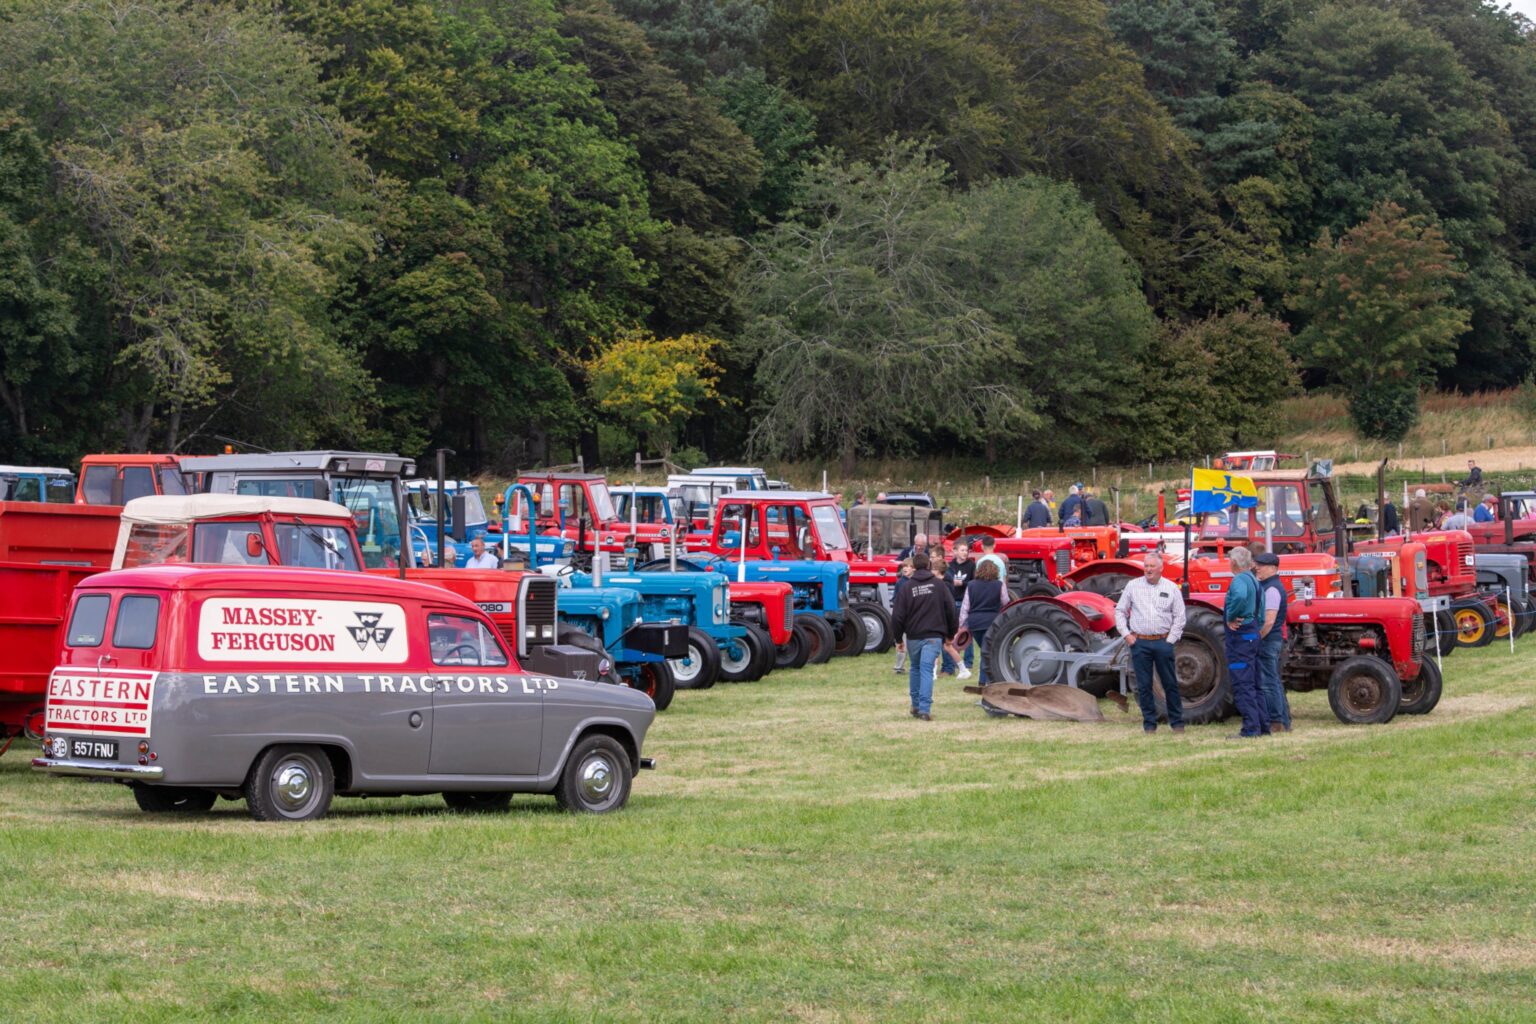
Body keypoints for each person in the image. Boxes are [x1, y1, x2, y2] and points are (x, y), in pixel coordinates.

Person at [1114, 552, 1187, 734]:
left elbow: (1180, 617)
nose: (1148, 569)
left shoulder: (1171, 588)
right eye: (1146, 566)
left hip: (1163, 642)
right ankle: (1149, 725)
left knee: (1170, 683)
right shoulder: (1133, 586)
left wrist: (1170, 640)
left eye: (1152, 566)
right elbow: (1120, 611)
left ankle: (1177, 723)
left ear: (1161, 568)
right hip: (1140, 643)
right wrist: (1127, 635)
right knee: (1144, 685)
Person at [890, 553, 958, 721]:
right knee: (927, 669)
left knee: (915, 668)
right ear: (928, 566)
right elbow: (951, 610)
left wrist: (898, 639)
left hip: (913, 636)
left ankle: (916, 705)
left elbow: (897, 616)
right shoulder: (939, 585)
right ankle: (925, 709)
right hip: (934, 635)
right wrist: (950, 634)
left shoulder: (906, 587)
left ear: (913, 566)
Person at [1223, 546, 1268, 738]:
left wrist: (1231, 616)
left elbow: (1240, 597)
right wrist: (1256, 624)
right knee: (1256, 683)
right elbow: (1262, 610)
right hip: (1253, 634)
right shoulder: (1255, 581)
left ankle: (1250, 729)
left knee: (1243, 684)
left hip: (1240, 638)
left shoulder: (1239, 580)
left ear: (1233, 563)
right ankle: (1263, 725)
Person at [1254, 552, 1291, 733]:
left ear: (1273, 568)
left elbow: (1268, 621)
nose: (1257, 568)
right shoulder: (1271, 586)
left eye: (1261, 565)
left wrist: (1255, 638)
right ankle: (1284, 722)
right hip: (1273, 639)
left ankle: (1276, 722)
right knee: (1274, 681)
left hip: (1269, 640)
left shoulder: (1271, 589)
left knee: (1268, 682)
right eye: (1257, 564)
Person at [959, 561, 1008, 684]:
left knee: (985, 650)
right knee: (988, 652)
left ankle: (986, 681)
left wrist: (962, 626)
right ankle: (984, 682)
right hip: (992, 622)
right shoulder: (999, 585)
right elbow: (1005, 601)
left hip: (975, 623)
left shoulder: (971, 585)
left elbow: (965, 607)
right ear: (995, 571)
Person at [947, 541, 978, 678]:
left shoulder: (971, 565)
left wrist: (962, 583)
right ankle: (954, 660)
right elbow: (947, 580)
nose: (965, 553)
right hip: (953, 600)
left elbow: (974, 582)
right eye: (962, 550)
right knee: (953, 632)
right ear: (955, 551)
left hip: (965, 601)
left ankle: (968, 661)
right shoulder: (950, 565)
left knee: (966, 632)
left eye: (966, 550)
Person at [892, 558, 915, 673]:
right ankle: (899, 667)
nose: (905, 568)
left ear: (914, 568)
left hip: (913, 617)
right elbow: (896, 599)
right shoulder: (900, 582)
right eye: (904, 566)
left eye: (908, 566)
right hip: (903, 617)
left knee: (913, 643)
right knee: (901, 642)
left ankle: (914, 665)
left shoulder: (916, 582)